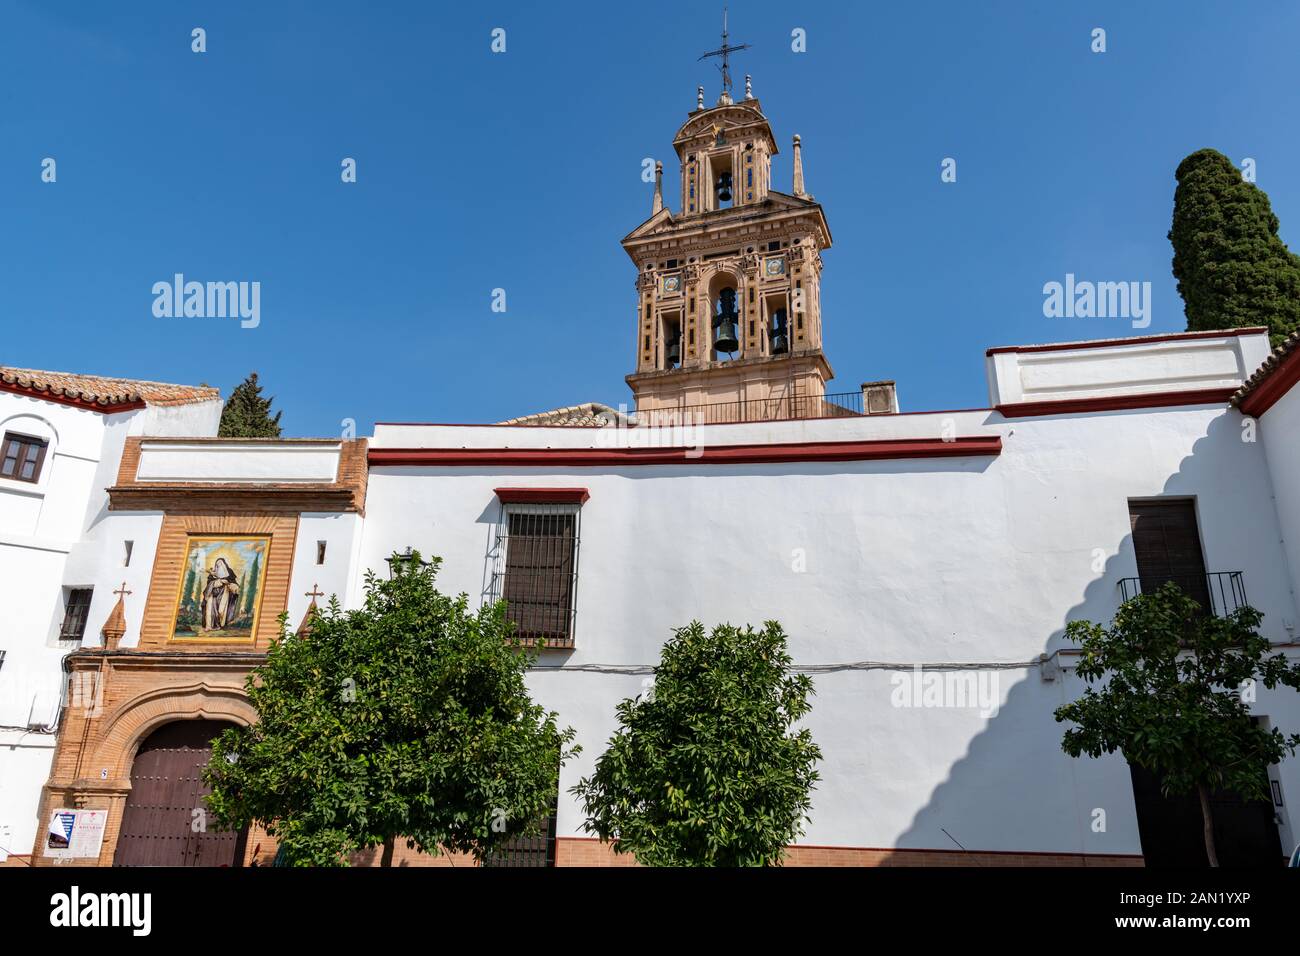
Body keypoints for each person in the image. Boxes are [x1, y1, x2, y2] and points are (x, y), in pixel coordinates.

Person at [202, 557, 241, 629]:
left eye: (220, 563)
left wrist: (231, 585)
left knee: (221, 610)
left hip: (224, 593)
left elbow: (233, 582)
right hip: (213, 594)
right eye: (217, 564)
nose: (218, 565)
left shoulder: (229, 572)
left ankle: (220, 625)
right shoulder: (213, 573)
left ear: (224, 564)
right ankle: (210, 626)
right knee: (211, 609)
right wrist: (216, 582)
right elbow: (209, 583)